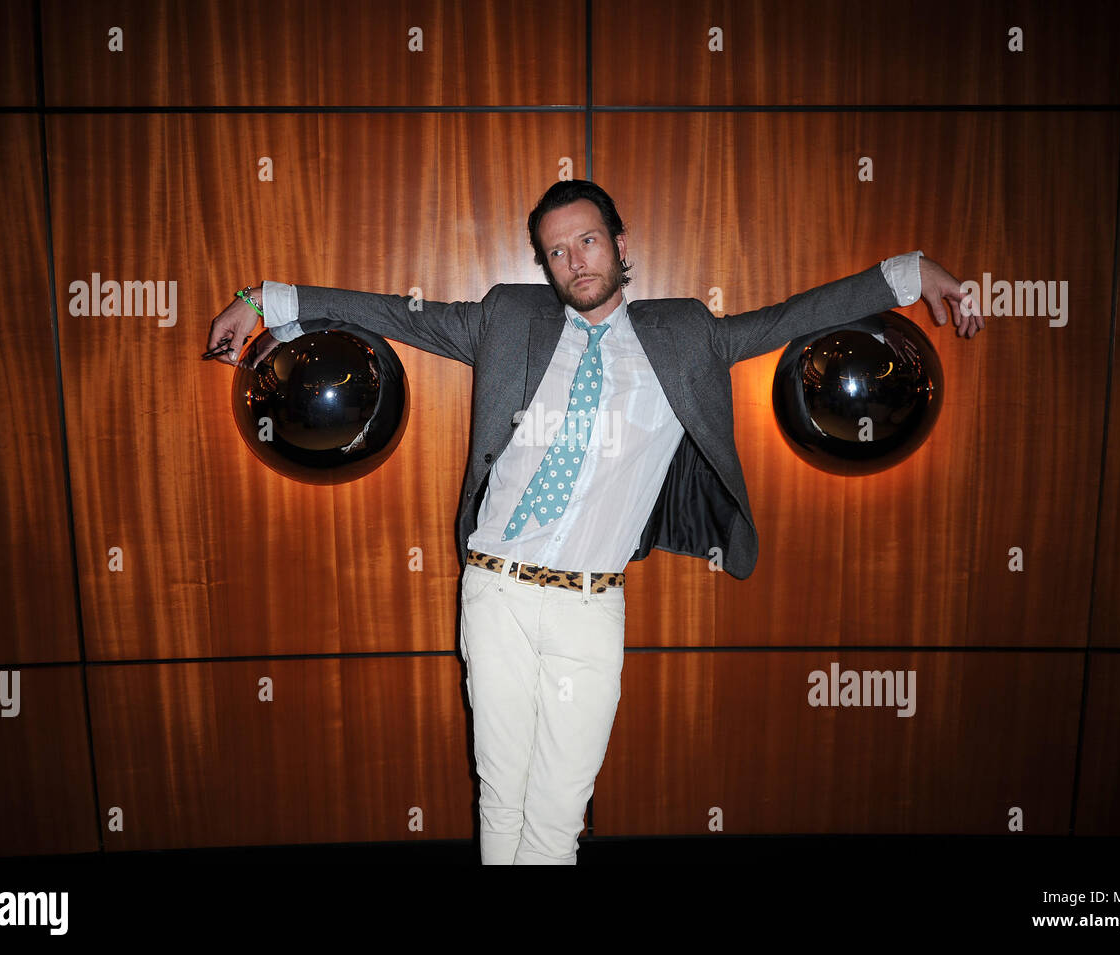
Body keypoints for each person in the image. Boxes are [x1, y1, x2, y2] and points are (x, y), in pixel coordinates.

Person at [206, 179, 982, 864]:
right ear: (544, 266)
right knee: (500, 799)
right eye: (556, 252)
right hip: (494, 592)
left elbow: (797, 313)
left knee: (554, 816)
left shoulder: (686, 334)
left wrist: (913, 273)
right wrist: (260, 301)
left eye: (586, 240)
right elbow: (388, 314)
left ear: (618, 243)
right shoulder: (507, 318)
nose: (574, 261)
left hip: (588, 607)